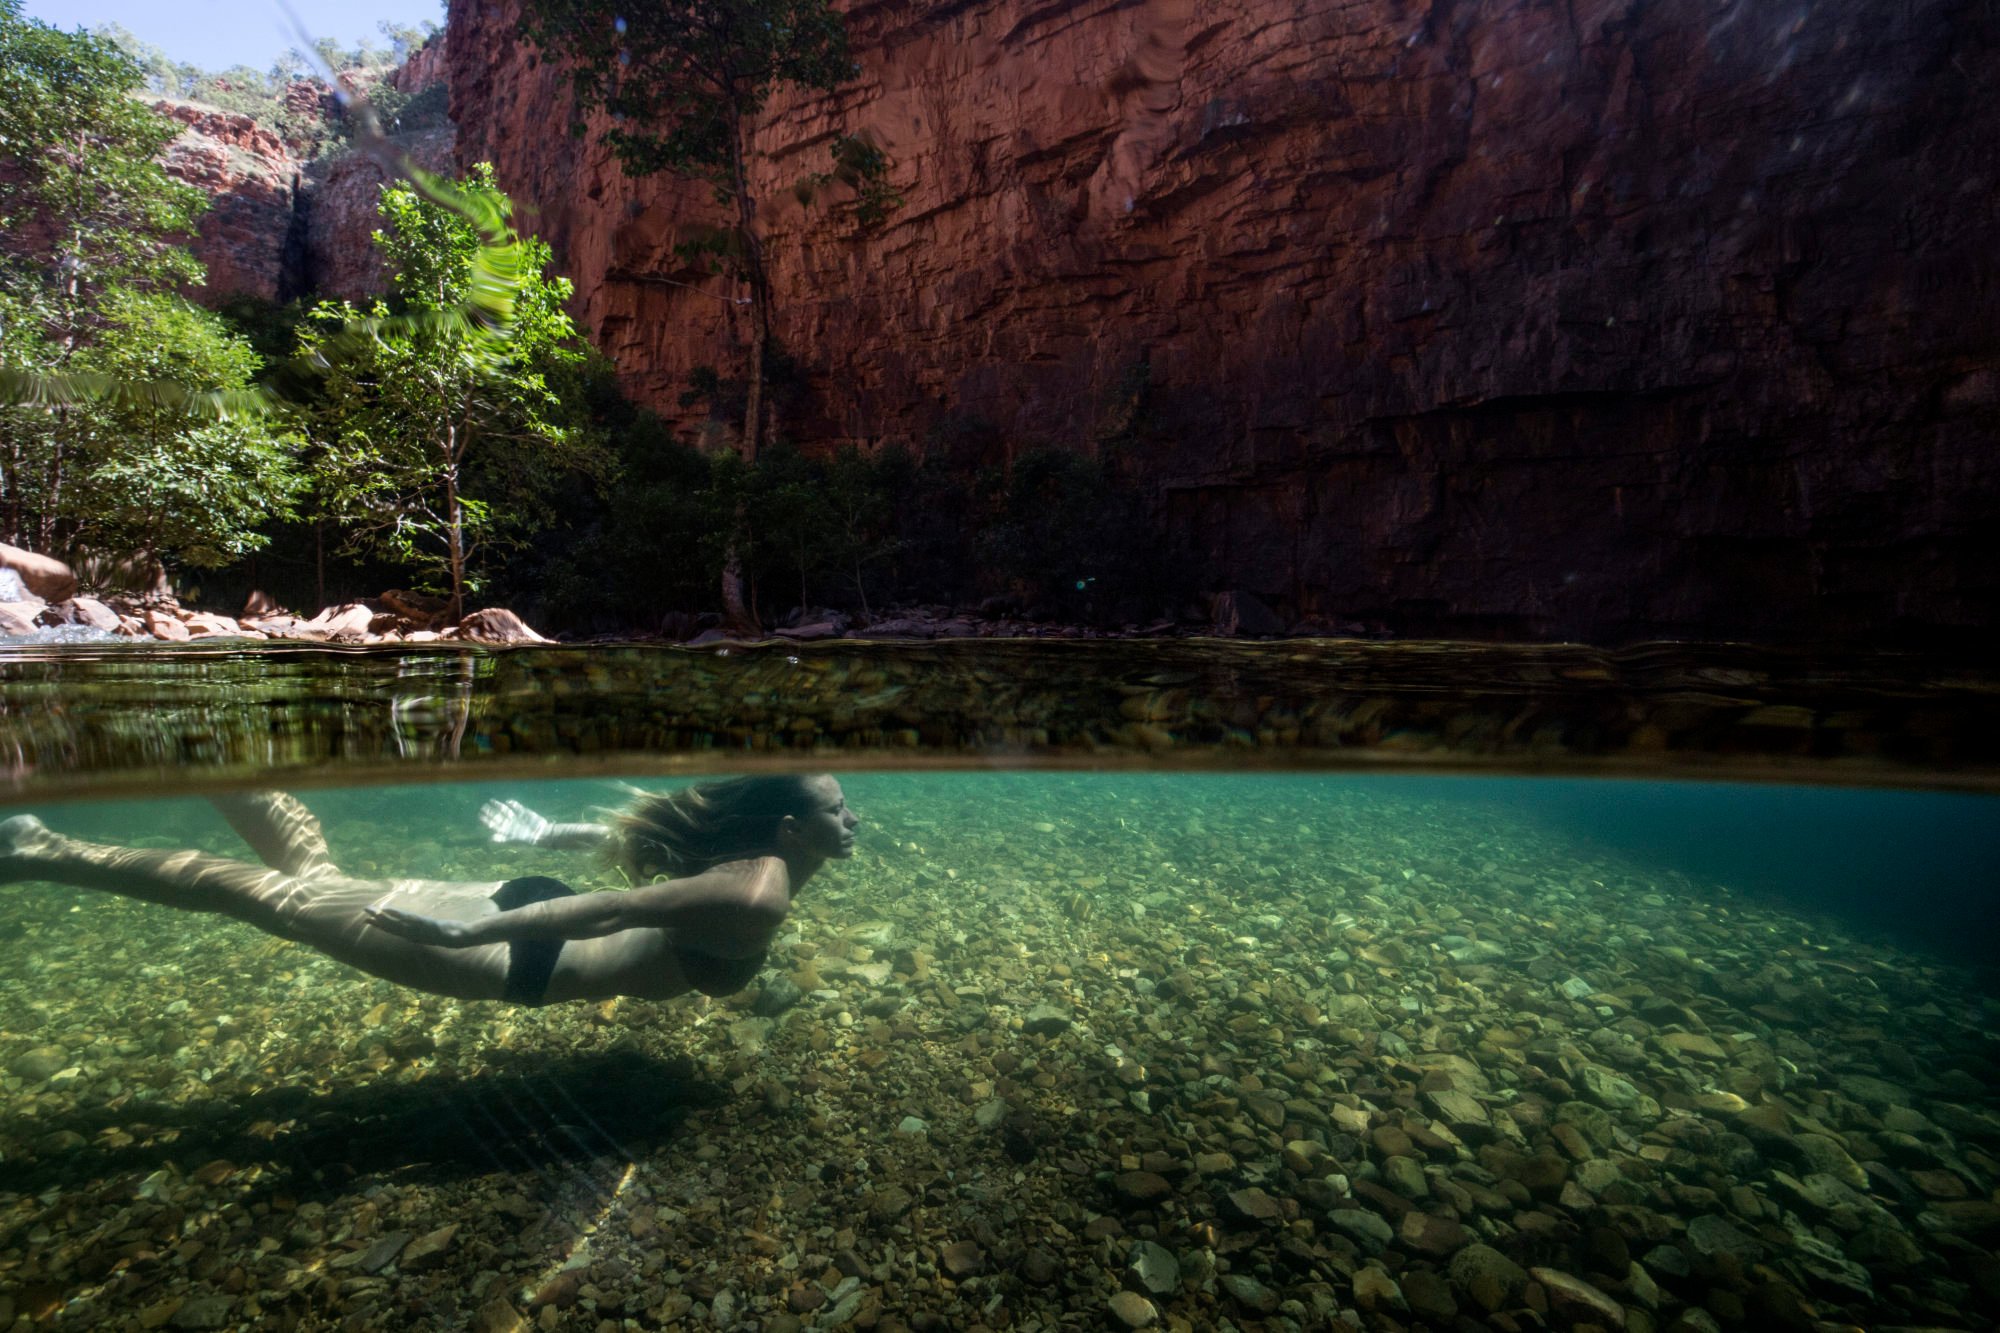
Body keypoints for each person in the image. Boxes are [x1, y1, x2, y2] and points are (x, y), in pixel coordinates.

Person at [0, 775, 859, 1007]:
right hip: (517, 947)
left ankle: (196, 755)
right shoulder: (758, 897)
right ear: (788, 826)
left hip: (527, 910)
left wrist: (546, 837)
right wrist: (459, 937)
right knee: (264, 896)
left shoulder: (759, 863)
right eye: (836, 808)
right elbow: (615, 908)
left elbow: (659, 853)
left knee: (313, 882)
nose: (853, 819)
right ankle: (41, 844)